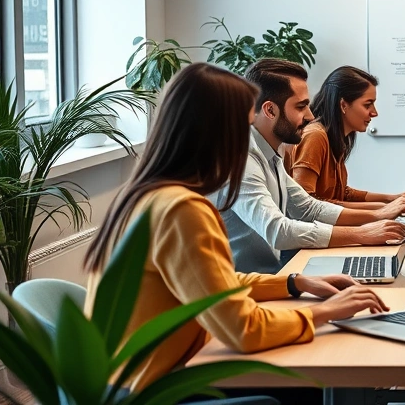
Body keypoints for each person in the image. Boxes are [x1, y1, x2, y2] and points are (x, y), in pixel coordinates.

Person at [83, 63, 389, 393]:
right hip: (154, 393)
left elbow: (216, 281)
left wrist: (295, 283)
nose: (246, 143)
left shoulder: (148, 194)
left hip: (132, 381)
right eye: (242, 128)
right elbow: (244, 330)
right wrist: (326, 312)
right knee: (316, 382)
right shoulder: (181, 209)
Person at [213, 59, 405, 274]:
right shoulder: (241, 159)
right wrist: (362, 233)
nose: (310, 115)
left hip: (273, 275)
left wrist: (377, 217)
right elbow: (277, 230)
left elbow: (308, 207)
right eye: (301, 106)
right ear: (270, 110)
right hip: (245, 290)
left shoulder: (273, 149)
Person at [285, 66, 405, 209]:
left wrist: (393, 198)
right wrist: (382, 209)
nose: (374, 113)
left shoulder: (335, 138)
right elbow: (305, 204)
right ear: (343, 105)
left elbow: (342, 194)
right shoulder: (315, 136)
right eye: (368, 105)